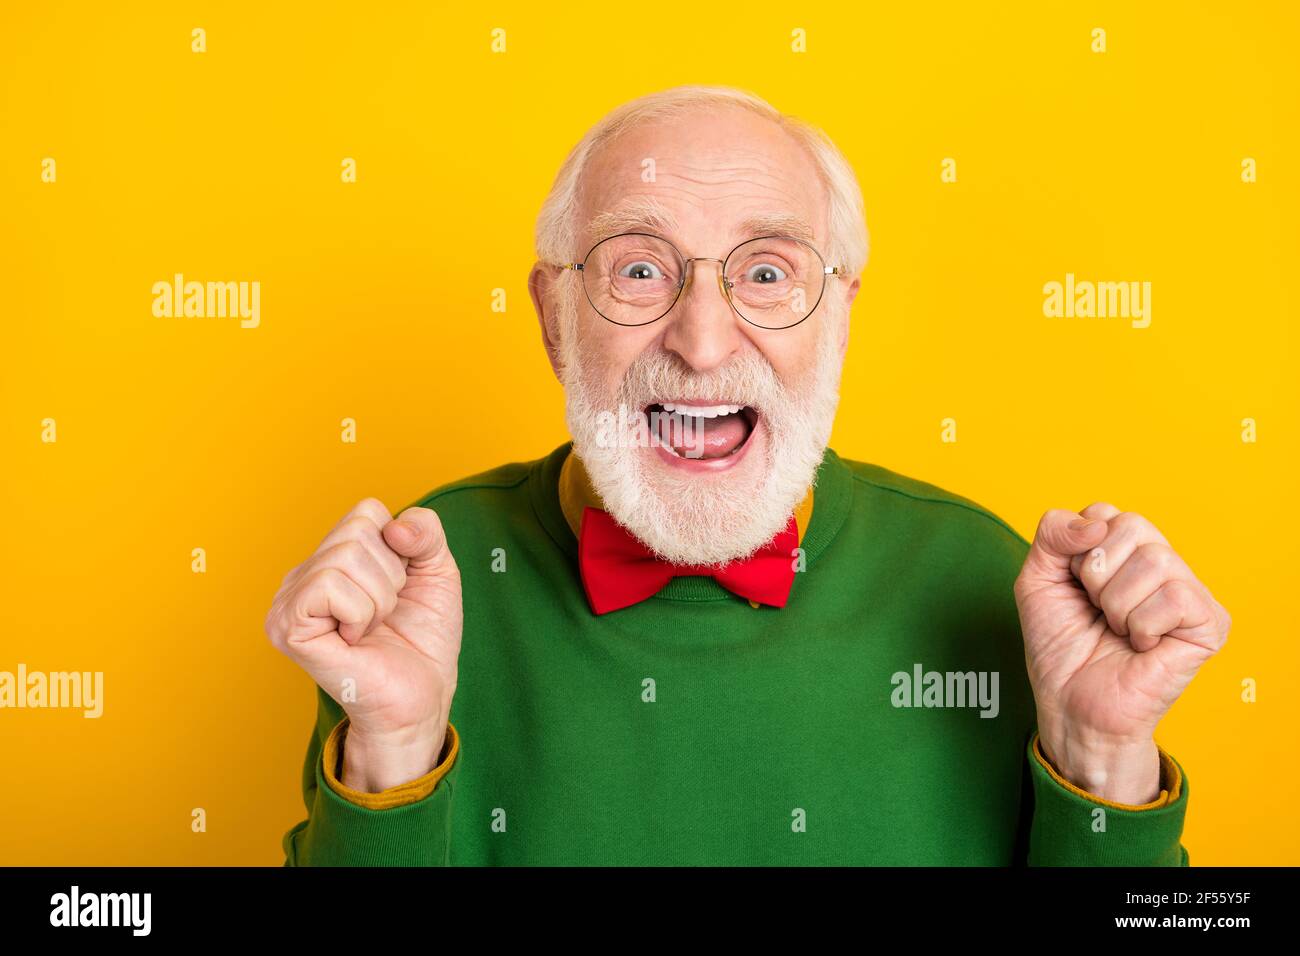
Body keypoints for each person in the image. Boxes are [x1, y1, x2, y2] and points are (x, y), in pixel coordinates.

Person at [268, 85, 1230, 865]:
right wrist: (391, 754)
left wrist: (1104, 762)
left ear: (839, 321)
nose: (702, 339)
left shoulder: (991, 582)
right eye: (638, 270)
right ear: (555, 319)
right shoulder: (424, 582)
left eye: (767, 273)